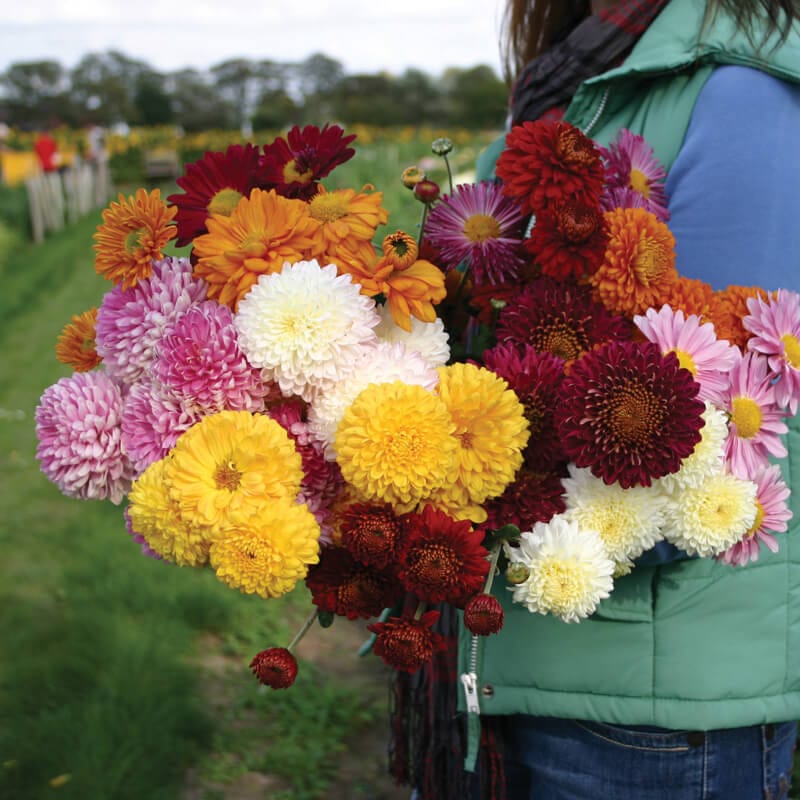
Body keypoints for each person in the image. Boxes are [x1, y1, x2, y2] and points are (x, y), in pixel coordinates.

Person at [405, 1, 800, 799]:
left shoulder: (740, 95)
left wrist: (473, 489)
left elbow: (710, 437)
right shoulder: (577, 84)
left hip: (647, 708)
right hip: (524, 653)